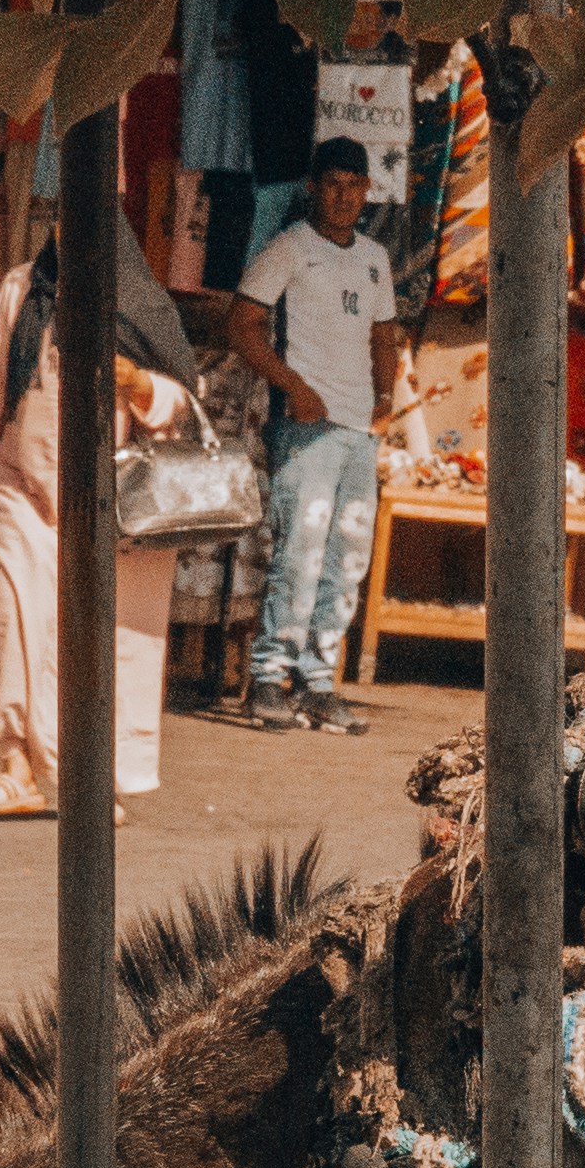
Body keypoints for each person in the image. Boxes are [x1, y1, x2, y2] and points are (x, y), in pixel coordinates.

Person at [0, 211, 191, 820]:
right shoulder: (23, 289)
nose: (65, 230)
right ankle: (16, 770)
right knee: (10, 620)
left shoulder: (137, 300)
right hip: (18, 490)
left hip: (111, 512)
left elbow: (184, 400)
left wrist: (140, 385)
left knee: (101, 645)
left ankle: (91, 783)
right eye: (57, 219)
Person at [229, 141, 404, 735]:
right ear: (313, 186)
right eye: (332, 183)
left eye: (354, 184)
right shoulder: (289, 249)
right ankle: (268, 680)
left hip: (359, 433)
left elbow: (386, 334)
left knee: (347, 560)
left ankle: (319, 684)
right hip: (305, 430)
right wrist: (292, 385)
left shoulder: (376, 258)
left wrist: (384, 401)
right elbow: (243, 325)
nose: (344, 195)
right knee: (298, 556)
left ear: (366, 189)